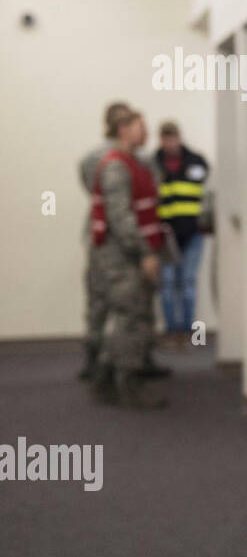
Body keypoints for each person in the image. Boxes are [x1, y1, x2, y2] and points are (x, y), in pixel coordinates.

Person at [77, 105, 171, 383]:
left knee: (128, 304)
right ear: (122, 127)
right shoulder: (113, 161)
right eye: (140, 126)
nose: (146, 132)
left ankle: (120, 362)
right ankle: (113, 368)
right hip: (116, 244)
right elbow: (119, 211)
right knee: (124, 305)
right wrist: (142, 249)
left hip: (121, 239)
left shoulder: (136, 160)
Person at [153, 121, 210, 349]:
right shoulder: (153, 165)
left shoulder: (197, 162)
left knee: (187, 282)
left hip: (192, 233)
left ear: (179, 137)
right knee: (167, 283)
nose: (170, 143)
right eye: (166, 138)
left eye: (173, 137)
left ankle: (187, 331)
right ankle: (171, 331)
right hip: (165, 235)